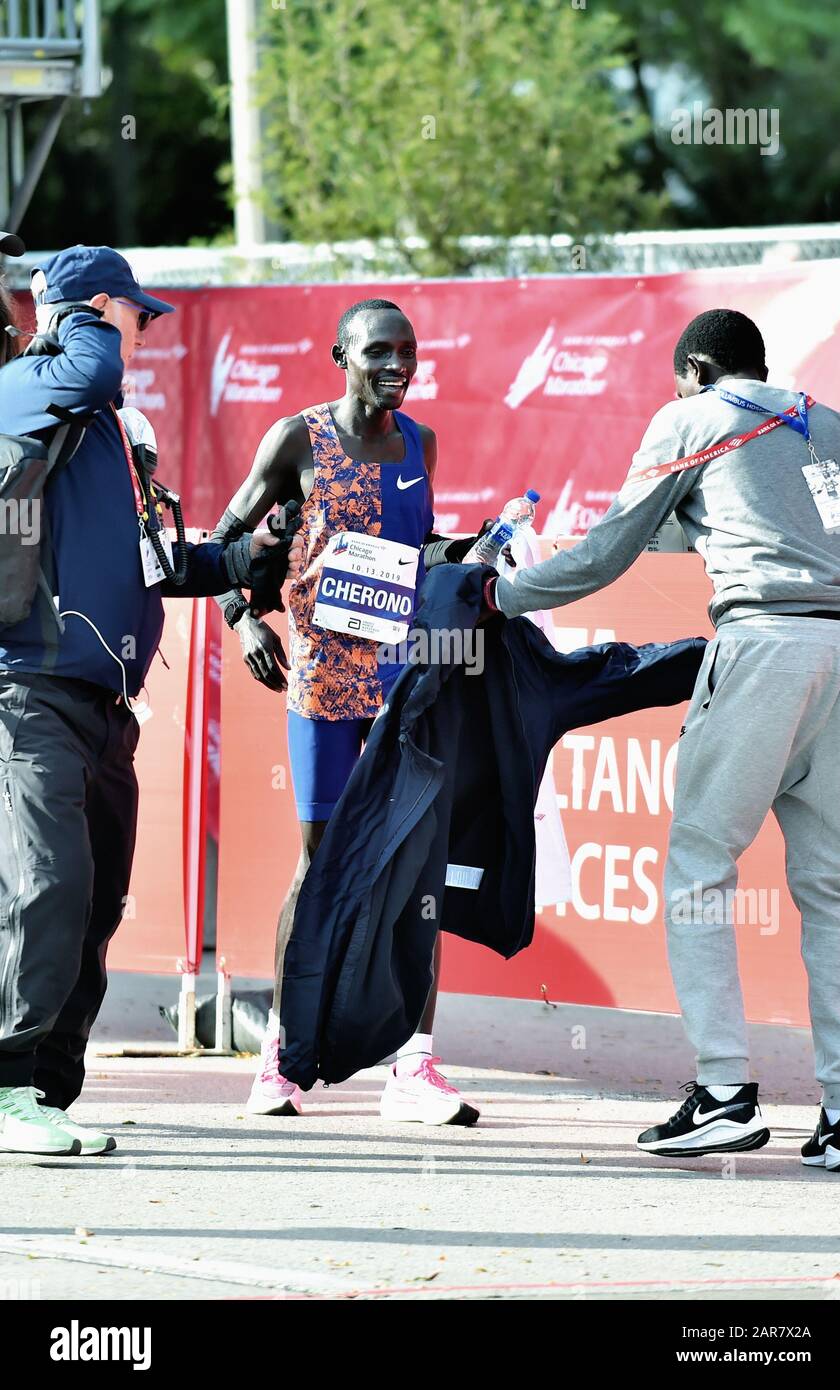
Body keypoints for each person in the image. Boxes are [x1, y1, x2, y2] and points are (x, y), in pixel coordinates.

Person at [482, 308, 840, 1172]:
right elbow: (702, 524)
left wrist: (497, 594)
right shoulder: (832, 423)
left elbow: (610, 552)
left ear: (695, 368)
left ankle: (723, 1093)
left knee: (697, 866)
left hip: (763, 645)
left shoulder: (691, 415)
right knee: (832, 892)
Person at [0, 244, 297, 1158]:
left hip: (106, 708)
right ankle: (6, 1085)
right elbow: (86, 359)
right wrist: (82, 316)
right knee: (48, 884)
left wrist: (246, 562)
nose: (147, 330)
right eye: (138, 314)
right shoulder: (29, 384)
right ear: (93, 310)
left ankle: (44, 1093)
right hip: (25, 690)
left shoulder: (106, 432)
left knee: (97, 902)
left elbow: (157, 564)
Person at [214, 298, 487, 1125]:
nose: (397, 363)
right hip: (325, 682)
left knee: (417, 867)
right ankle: (281, 1061)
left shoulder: (421, 443)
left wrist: (471, 553)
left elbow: (416, 549)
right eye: (378, 350)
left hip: (406, 682)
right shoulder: (297, 438)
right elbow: (226, 537)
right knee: (320, 866)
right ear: (340, 354)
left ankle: (412, 1066)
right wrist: (241, 617)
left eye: (407, 350)